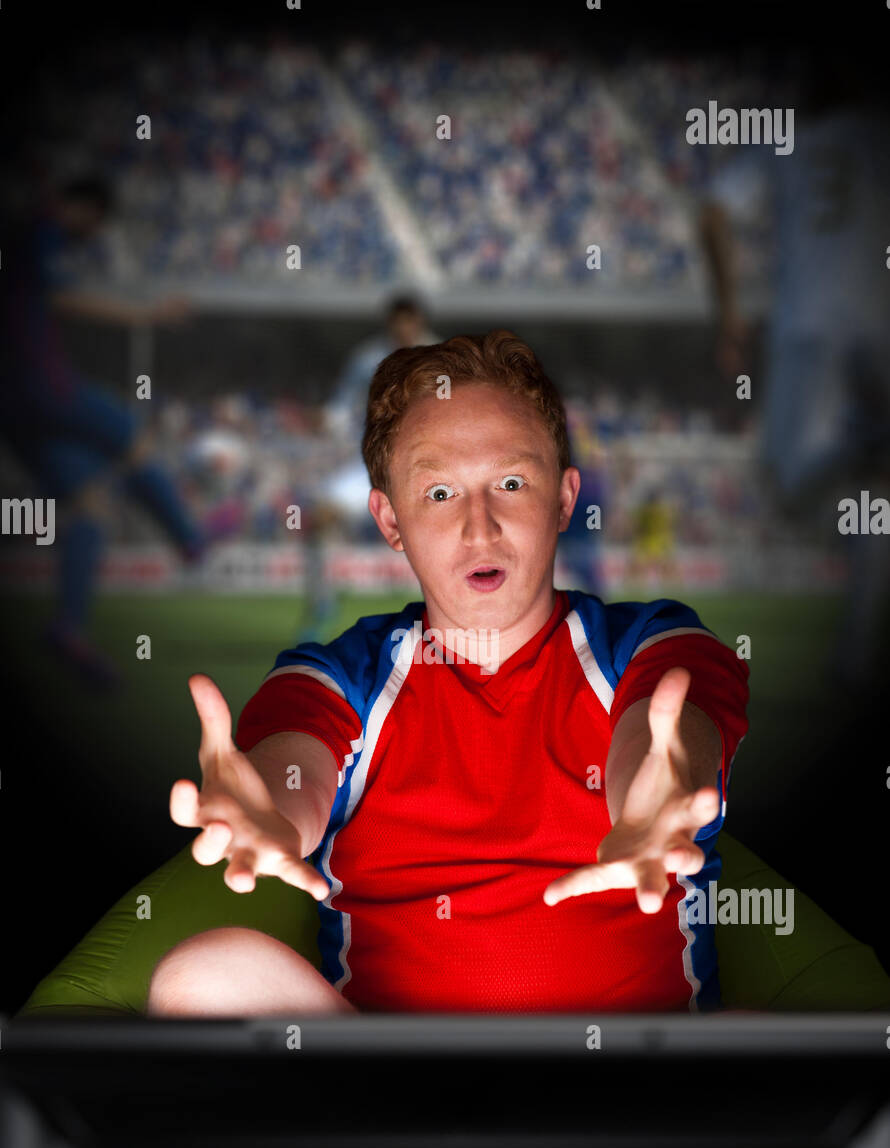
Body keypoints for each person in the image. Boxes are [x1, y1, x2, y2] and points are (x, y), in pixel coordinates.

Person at [147, 330, 749, 1018]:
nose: (479, 527)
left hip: (622, 1090)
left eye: (512, 484)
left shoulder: (650, 644)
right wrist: (266, 813)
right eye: (438, 493)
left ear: (563, 499)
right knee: (201, 978)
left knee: (781, 1050)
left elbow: (665, 734)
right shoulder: (342, 677)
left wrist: (657, 791)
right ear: (389, 519)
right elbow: (295, 770)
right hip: (402, 1092)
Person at [698, 54, 890, 693]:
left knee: (786, 484)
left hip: (810, 331)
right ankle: (855, 656)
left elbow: (713, 213)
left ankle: (858, 451)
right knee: (874, 502)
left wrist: (728, 317)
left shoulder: (788, 143)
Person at [0, 174, 206, 688]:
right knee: (133, 439)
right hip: (41, 384)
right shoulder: (39, 229)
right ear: (82, 207)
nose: (90, 236)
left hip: (12, 407)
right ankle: (191, 542)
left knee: (90, 505)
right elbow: (59, 298)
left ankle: (68, 629)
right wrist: (147, 314)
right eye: (94, 223)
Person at [299, 293, 438, 641]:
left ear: (419, 321)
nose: (405, 326)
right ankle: (322, 605)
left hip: (429, 468)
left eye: (410, 319)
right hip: (375, 465)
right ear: (391, 322)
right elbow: (344, 405)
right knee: (318, 520)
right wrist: (324, 419)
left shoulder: (444, 357)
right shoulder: (368, 359)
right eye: (399, 319)